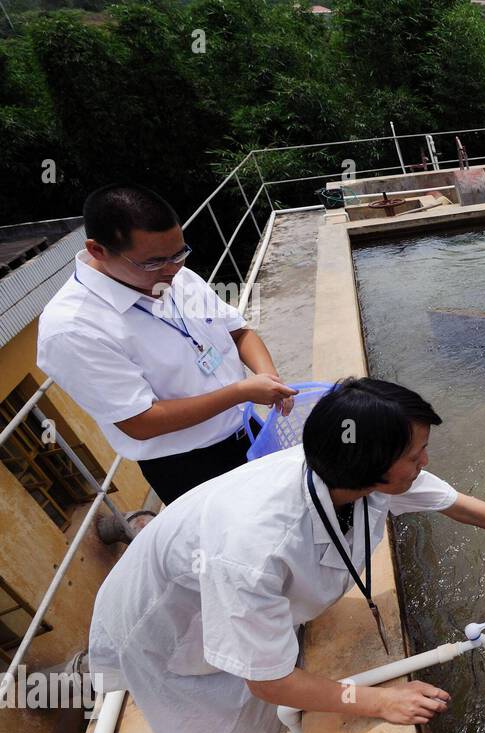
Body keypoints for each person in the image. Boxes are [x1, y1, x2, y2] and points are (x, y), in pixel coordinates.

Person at [88, 377, 485, 733]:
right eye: (415, 455)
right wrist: (374, 701)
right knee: (226, 711)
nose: (425, 462)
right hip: (166, 620)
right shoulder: (253, 549)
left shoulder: (352, 472)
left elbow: (456, 504)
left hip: (211, 581)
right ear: (373, 469)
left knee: (255, 676)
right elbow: (269, 682)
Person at [37, 183, 298, 532]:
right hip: (190, 466)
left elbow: (239, 332)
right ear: (98, 250)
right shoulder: (73, 328)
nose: (171, 269)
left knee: (286, 521)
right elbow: (141, 422)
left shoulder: (177, 276)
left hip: (248, 429)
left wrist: (269, 379)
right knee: (239, 545)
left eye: (179, 253)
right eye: (154, 261)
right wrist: (242, 391)